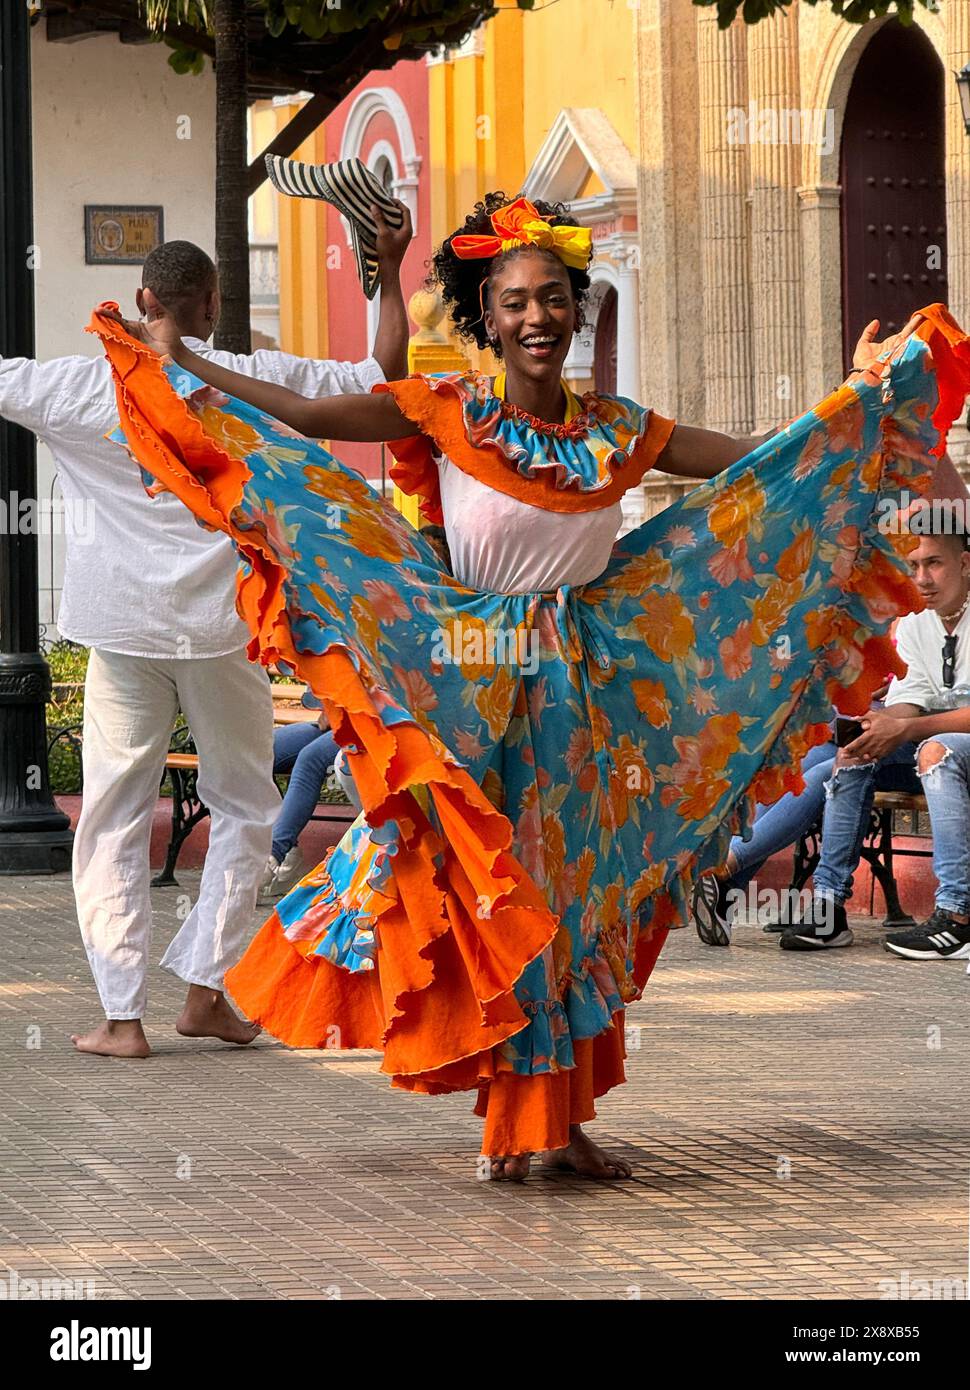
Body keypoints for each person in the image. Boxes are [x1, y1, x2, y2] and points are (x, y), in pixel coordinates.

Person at [94, 193, 967, 1177]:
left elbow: (764, 470)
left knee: (573, 903)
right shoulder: (443, 409)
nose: (537, 318)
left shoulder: (618, 430)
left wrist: (856, 403)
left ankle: (556, 1120)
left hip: (585, 698)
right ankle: (509, 1123)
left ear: (577, 305)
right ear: (485, 312)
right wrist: (181, 365)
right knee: (481, 893)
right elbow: (298, 416)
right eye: (513, 302)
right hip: (469, 687)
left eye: (552, 297)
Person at [0, 208, 412, 1057]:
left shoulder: (80, 387)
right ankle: (205, 990)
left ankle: (122, 1019)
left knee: (110, 816)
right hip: (228, 631)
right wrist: (390, 271)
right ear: (212, 304)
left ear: (143, 297)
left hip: (121, 632)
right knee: (248, 807)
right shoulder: (252, 380)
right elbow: (380, 375)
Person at [778, 524, 970, 958]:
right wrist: (879, 725)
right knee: (855, 749)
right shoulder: (917, 619)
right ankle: (829, 908)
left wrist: (907, 729)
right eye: (914, 566)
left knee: (935, 751)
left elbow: (919, 726)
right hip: (932, 742)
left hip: (945, 749)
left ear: (964, 563)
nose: (921, 579)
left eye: (934, 564)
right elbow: (911, 700)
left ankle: (957, 914)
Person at [691, 737, 837, 946]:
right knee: (784, 778)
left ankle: (725, 866)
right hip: (842, 736)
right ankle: (724, 890)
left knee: (817, 777)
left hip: (886, 743)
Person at [260, 718, 340, 902]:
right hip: (335, 719)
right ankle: (290, 857)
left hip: (376, 722)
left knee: (311, 759)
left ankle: (270, 858)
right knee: (256, 751)